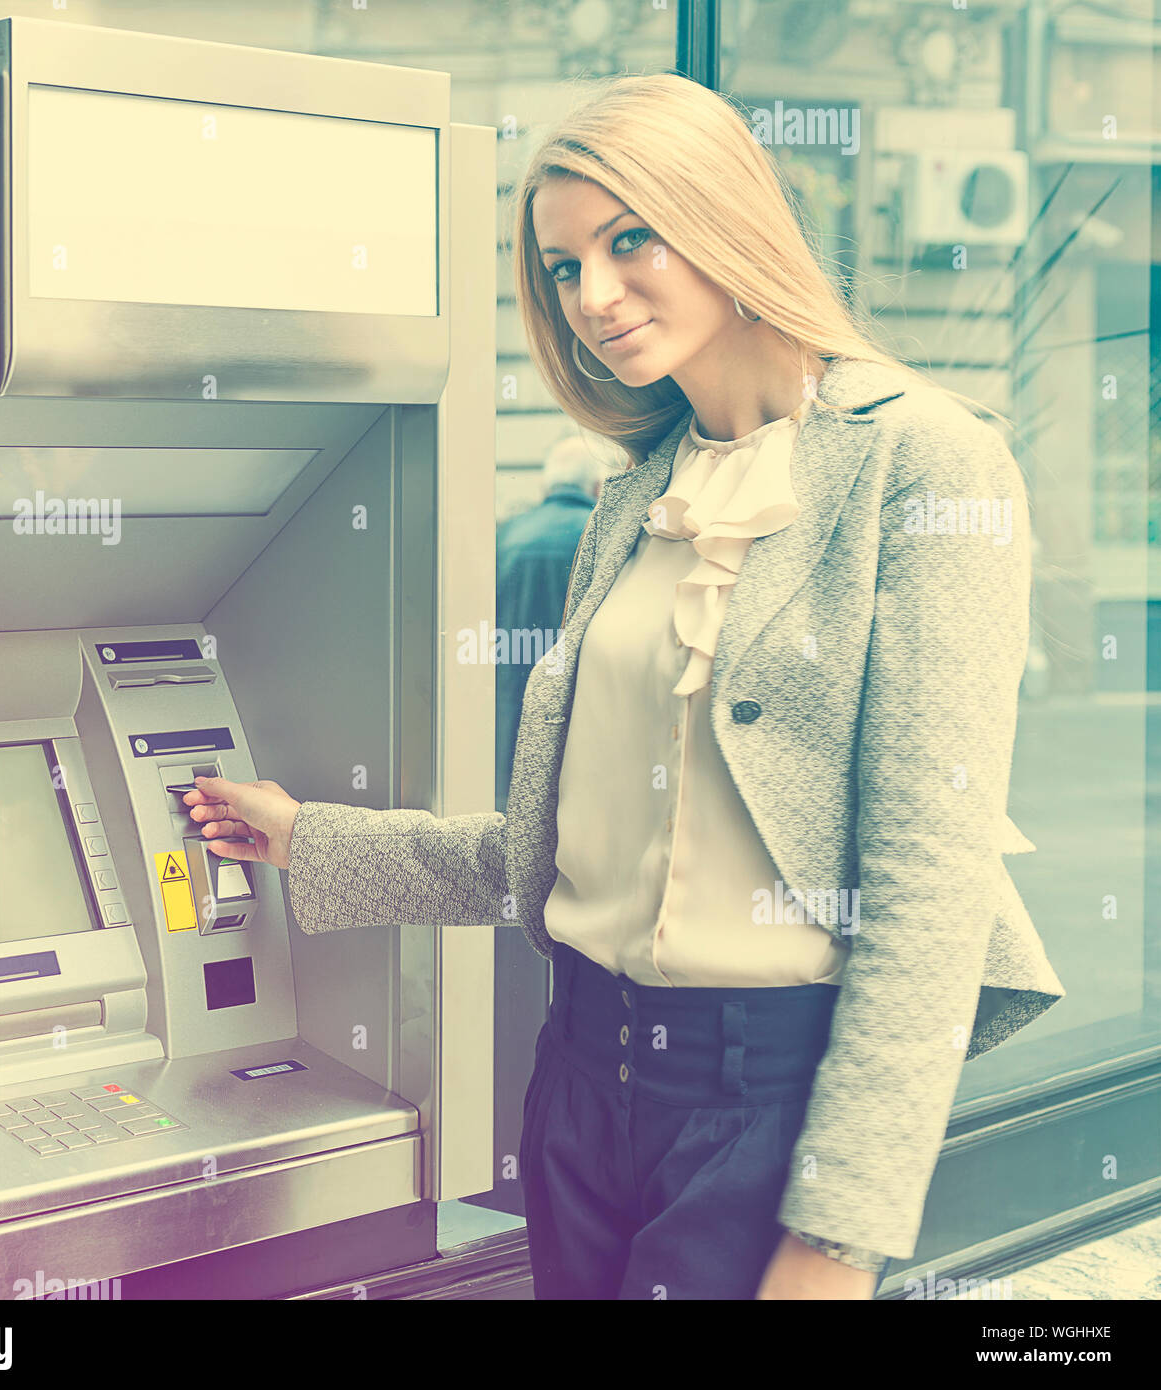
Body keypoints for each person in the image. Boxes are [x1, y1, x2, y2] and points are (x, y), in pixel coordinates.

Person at [183, 73, 1064, 1300]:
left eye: (628, 238)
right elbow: (547, 858)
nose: (593, 295)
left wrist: (838, 1233)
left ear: (724, 218)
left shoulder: (924, 462)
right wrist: (309, 838)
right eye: (560, 266)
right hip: (584, 1078)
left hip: (763, 1102)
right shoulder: (638, 492)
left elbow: (929, 886)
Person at [494, 435, 610, 810]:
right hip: (577, 701)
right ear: (596, 486)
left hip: (509, 697)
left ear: (546, 485)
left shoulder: (508, 533)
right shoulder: (600, 535)